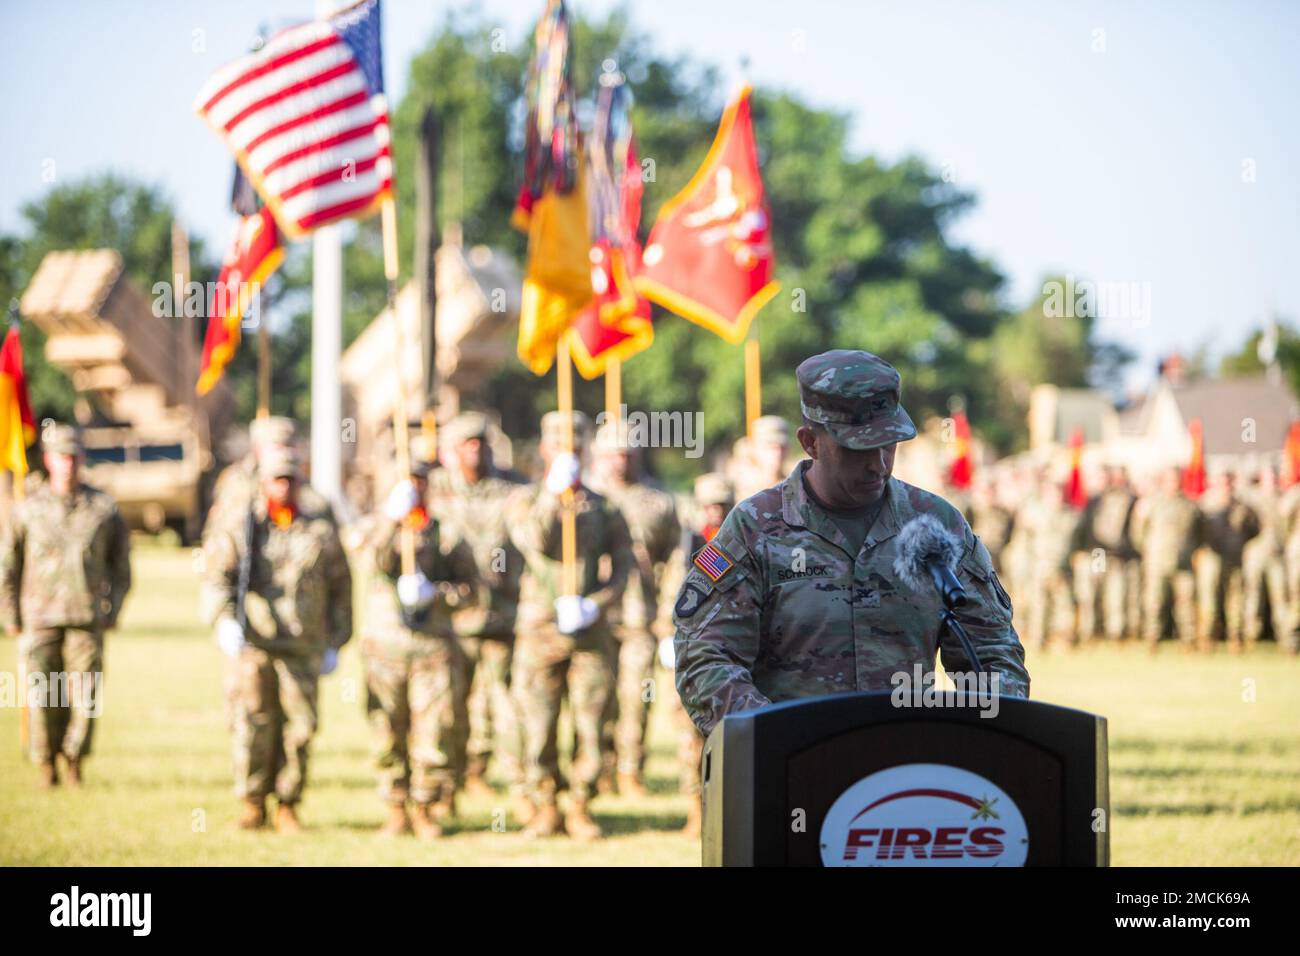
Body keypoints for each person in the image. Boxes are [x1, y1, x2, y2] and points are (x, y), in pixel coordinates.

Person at [673, 350, 1029, 737]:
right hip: (787, 768)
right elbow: (706, 656)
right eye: (857, 449)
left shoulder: (937, 524)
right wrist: (770, 736)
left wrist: (989, 738)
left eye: (889, 445)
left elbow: (992, 651)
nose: (878, 464)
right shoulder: (754, 529)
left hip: (906, 771)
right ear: (810, 442)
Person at [204, 445, 352, 832]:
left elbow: (341, 586)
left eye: (290, 479)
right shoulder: (243, 526)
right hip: (255, 642)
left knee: (299, 729)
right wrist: (223, 621)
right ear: (263, 483)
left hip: (303, 644)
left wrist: (338, 640)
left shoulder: (320, 530)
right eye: (276, 480)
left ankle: (288, 803)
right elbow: (217, 577)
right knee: (252, 724)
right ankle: (253, 802)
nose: (283, 487)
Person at [507, 411, 633, 839]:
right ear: (545, 449)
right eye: (561, 447)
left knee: (591, 723)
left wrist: (597, 605)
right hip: (540, 626)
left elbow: (621, 567)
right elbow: (536, 540)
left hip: (589, 631)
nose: (570, 453)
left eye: (577, 447)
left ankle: (580, 803)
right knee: (537, 722)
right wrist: (552, 495)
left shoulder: (606, 506)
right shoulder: (524, 500)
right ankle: (544, 803)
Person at [1, 424, 132, 788]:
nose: (69, 464)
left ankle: (75, 761)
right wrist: (10, 616)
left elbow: (121, 567)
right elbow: (7, 565)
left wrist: (113, 610)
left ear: (82, 459)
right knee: (42, 695)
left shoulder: (103, 509)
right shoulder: (28, 509)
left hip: (86, 618)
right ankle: (46, 764)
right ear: (48, 460)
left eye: (74, 457)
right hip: (38, 618)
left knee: (85, 698)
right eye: (62, 457)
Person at [360, 461, 478, 838]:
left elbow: (471, 590)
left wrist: (436, 594)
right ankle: (396, 806)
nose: (415, 488)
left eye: (419, 482)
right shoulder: (381, 528)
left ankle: (426, 805)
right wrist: (390, 520)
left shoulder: (447, 534)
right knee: (387, 729)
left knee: (434, 730)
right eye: (407, 482)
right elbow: (370, 562)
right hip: (385, 645)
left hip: (432, 648)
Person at [428, 412, 527, 804]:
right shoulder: (434, 490)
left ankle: (509, 783)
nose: (476, 449)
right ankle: (443, 788)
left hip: (501, 617)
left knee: (504, 707)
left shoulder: (512, 489)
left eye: (481, 442)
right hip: (450, 620)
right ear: (450, 451)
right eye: (467, 443)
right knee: (448, 708)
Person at [590, 420, 680, 797]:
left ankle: (631, 767)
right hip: (595, 615)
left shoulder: (658, 501)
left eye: (626, 454)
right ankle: (599, 767)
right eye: (612, 454)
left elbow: (676, 558)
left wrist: (669, 612)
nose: (619, 462)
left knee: (637, 696)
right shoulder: (587, 499)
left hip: (639, 614)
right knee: (597, 695)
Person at [1131, 466, 1205, 652]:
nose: (1174, 483)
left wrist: (1188, 551)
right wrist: (1150, 550)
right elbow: (1138, 534)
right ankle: (1151, 640)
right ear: (1163, 481)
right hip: (1157, 562)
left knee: (1186, 604)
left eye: (1177, 479)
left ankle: (1188, 642)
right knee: (1154, 602)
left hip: (1183, 563)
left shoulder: (1190, 505)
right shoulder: (1151, 504)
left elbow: (1199, 535)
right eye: (1170, 479)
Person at [1196, 470, 1259, 649]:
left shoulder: (1242, 508)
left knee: (1236, 599)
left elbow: (1253, 530)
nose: (1226, 487)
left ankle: (1235, 637)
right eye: (1222, 483)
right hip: (1211, 559)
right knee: (1208, 599)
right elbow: (1195, 530)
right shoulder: (1205, 505)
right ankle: (1208, 638)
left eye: (1228, 483)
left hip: (1234, 558)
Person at [1075, 466, 1139, 642]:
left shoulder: (1128, 500)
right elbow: (1084, 528)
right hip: (1097, 553)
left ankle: (1115, 633)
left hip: (1116, 555)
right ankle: (1089, 632)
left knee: (1115, 595)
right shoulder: (1093, 500)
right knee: (1091, 594)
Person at [1241, 464, 1288, 649]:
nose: (1272, 481)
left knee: (1280, 597)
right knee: (1253, 595)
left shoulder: (1284, 498)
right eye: (1268, 477)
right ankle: (1251, 635)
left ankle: (1285, 639)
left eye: (1274, 477)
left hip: (1276, 555)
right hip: (1255, 554)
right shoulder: (1251, 498)